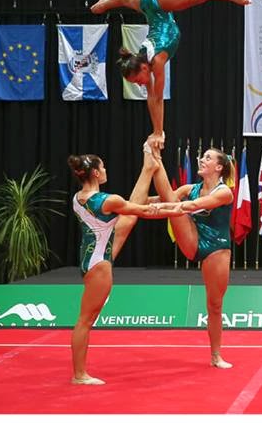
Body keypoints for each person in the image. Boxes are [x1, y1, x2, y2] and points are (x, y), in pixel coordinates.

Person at [68, 143, 185, 385]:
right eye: (104, 167)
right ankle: (79, 375)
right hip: (99, 263)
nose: (106, 169)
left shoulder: (79, 198)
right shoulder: (107, 200)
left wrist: (169, 197)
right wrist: (179, 208)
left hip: (94, 253)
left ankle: (148, 166)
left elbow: (131, 207)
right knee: (85, 321)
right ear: (97, 174)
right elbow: (142, 209)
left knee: (128, 220)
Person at [91, 0, 251, 151]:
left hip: (158, 4)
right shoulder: (141, 62)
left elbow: (158, 99)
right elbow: (151, 98)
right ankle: (104, 4)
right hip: (150, 10)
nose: (139, 84)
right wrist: (156, 131)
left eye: (137, 81)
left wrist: (159, 132)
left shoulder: (157, 61)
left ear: (144, 68)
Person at [150, 146, 236, 368]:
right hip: (193, 239)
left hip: (217, 248)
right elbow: (161, 198)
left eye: (207, 158)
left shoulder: (224, 192)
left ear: (218, 167)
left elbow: (196, 205)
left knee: (215, 305)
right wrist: (131, 205)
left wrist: (167, 206)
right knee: (171, 198)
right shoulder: (190, 188)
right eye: (202, 156)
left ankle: (216, 355)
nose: (201, 160)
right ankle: (154, 159)